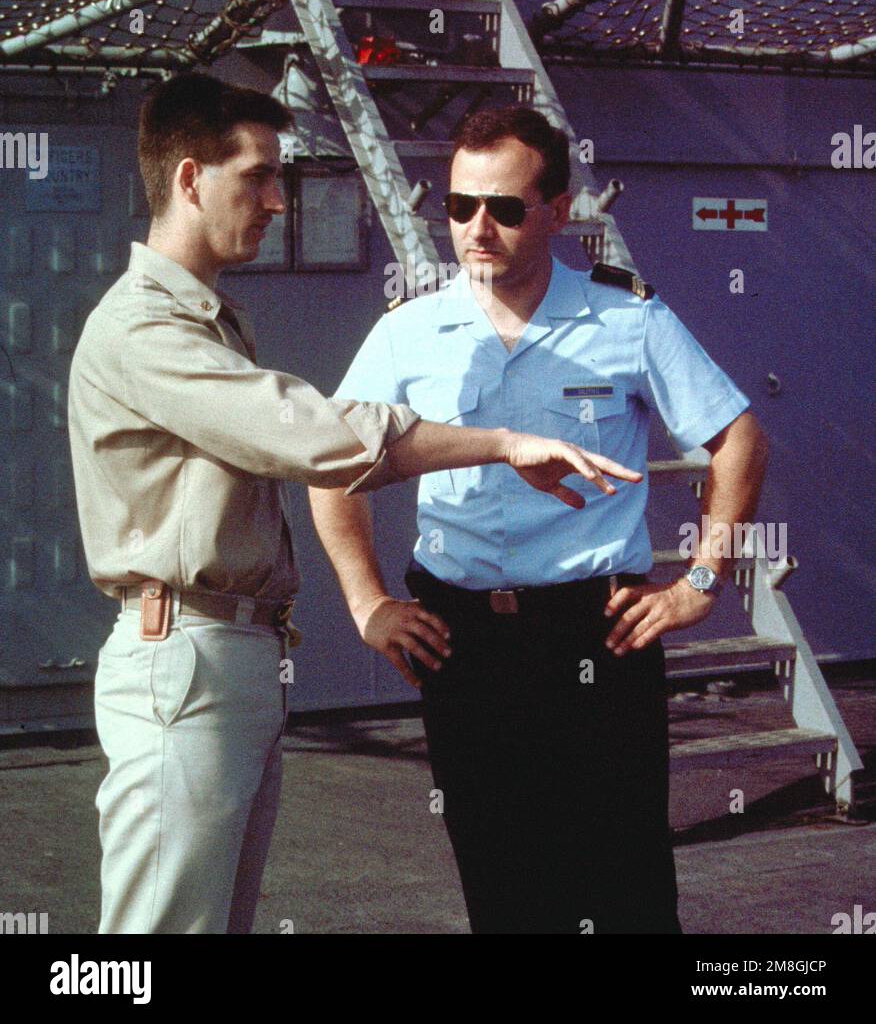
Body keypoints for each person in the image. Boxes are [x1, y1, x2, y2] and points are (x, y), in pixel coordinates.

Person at [67, 76, 638, 936]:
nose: (275, 200)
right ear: (189, 179)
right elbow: (318, 438)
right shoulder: (144, 330)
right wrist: (502, 442)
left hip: (228, 652)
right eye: (258, 176)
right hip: (185, 656)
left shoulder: (208, 318)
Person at [309, 105, 769, 935]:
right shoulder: (410, 332)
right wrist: (366, 602)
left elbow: (738, 438)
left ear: (557, 210)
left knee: (627, 892)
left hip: (597, 633)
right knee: (503, 890)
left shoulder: (625, 319)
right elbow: (331, 462)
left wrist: (702, 579)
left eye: (505, 208)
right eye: (460, 206)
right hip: (463, 644)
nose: (477, 229)